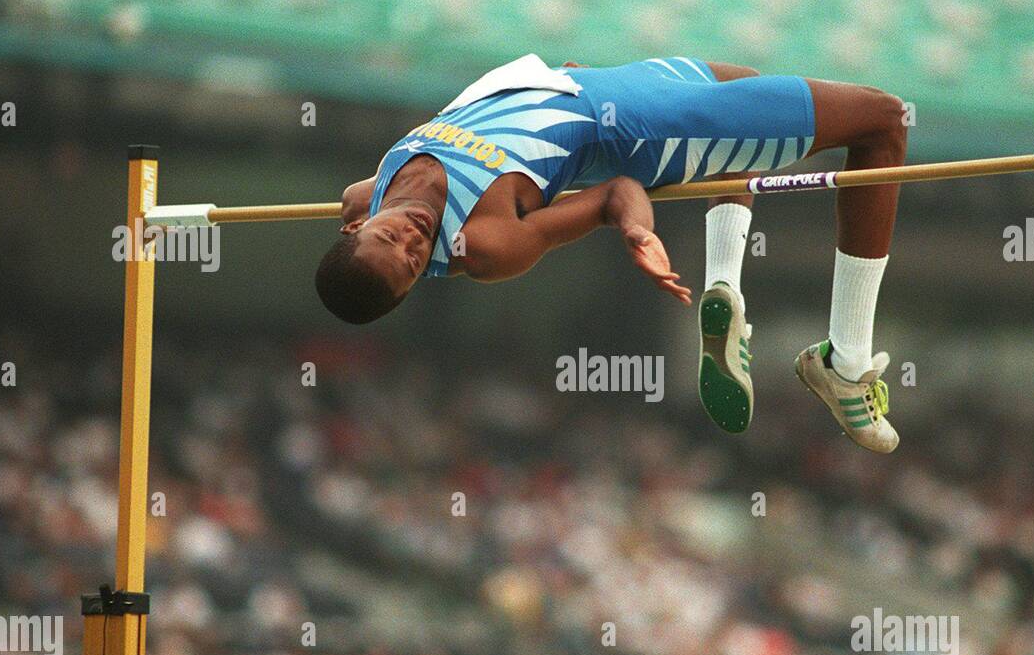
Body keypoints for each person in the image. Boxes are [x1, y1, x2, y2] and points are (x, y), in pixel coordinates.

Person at [315, 55, 906, 451]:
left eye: (392, 238)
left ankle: (727, 288)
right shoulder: (488, 242)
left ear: (355, 227)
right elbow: (614, 196)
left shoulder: (367, 192)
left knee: (745, 79)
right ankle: (846, 364)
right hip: (651, 128)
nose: (415, 237)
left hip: (597, 81)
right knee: (883, 119)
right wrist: (640, 234)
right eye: (415, 262)